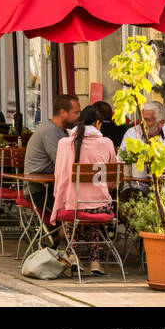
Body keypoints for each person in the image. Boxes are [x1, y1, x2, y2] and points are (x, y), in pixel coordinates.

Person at [51, 104, 117, 276]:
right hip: (101, 208)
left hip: (72, 208)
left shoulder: (64, 143)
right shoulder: (107, 143)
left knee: (72, 209)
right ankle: (95, 262)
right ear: (98, 124)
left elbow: (59, 176)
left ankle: (73, 255)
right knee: (91, 214)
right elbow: (112, 180)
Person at [23, 93, 81, 224]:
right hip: (39, 189)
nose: (79, 116)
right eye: (76, 112)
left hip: (51, 186)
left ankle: (63, 236)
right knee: (80, 208)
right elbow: (62, 164)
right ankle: (56, 236)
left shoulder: (61, 132)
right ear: (63, 113)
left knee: (84, 204)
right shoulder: (50, 131)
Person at [120, 100, 165, 191]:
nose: (142, 123)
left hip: (163, 190)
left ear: (161, 122)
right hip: (135, 188)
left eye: (148, 120)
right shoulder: (132, 134)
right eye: (142, 118)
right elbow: (120, 163)